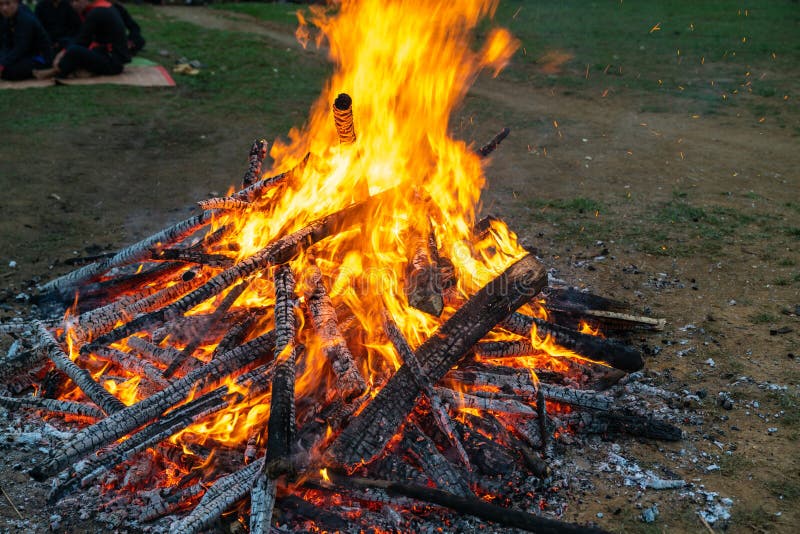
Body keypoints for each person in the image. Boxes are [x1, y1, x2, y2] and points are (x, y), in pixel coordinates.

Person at [36, 0, 130, 78]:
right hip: (106, 53)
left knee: (74, 50)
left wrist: (62, 53)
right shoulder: (102, 7)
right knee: (69, 45)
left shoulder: (96, 13)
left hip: (112, 62)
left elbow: (82, 40)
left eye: (76, 1)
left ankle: (58, 72)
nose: (74, 5)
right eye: (72, 2)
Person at [0, 0, 53, 80]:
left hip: (39, 58)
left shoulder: (25, 19)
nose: (4, 8)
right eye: (0, 4)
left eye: (8, 3)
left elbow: (21, 48)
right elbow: (6, 45)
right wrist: (2, 62)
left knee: (10, 71)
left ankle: (42, 72)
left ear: (16, 3)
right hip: (24, 56)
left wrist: (3, 65)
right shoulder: (8, 18)